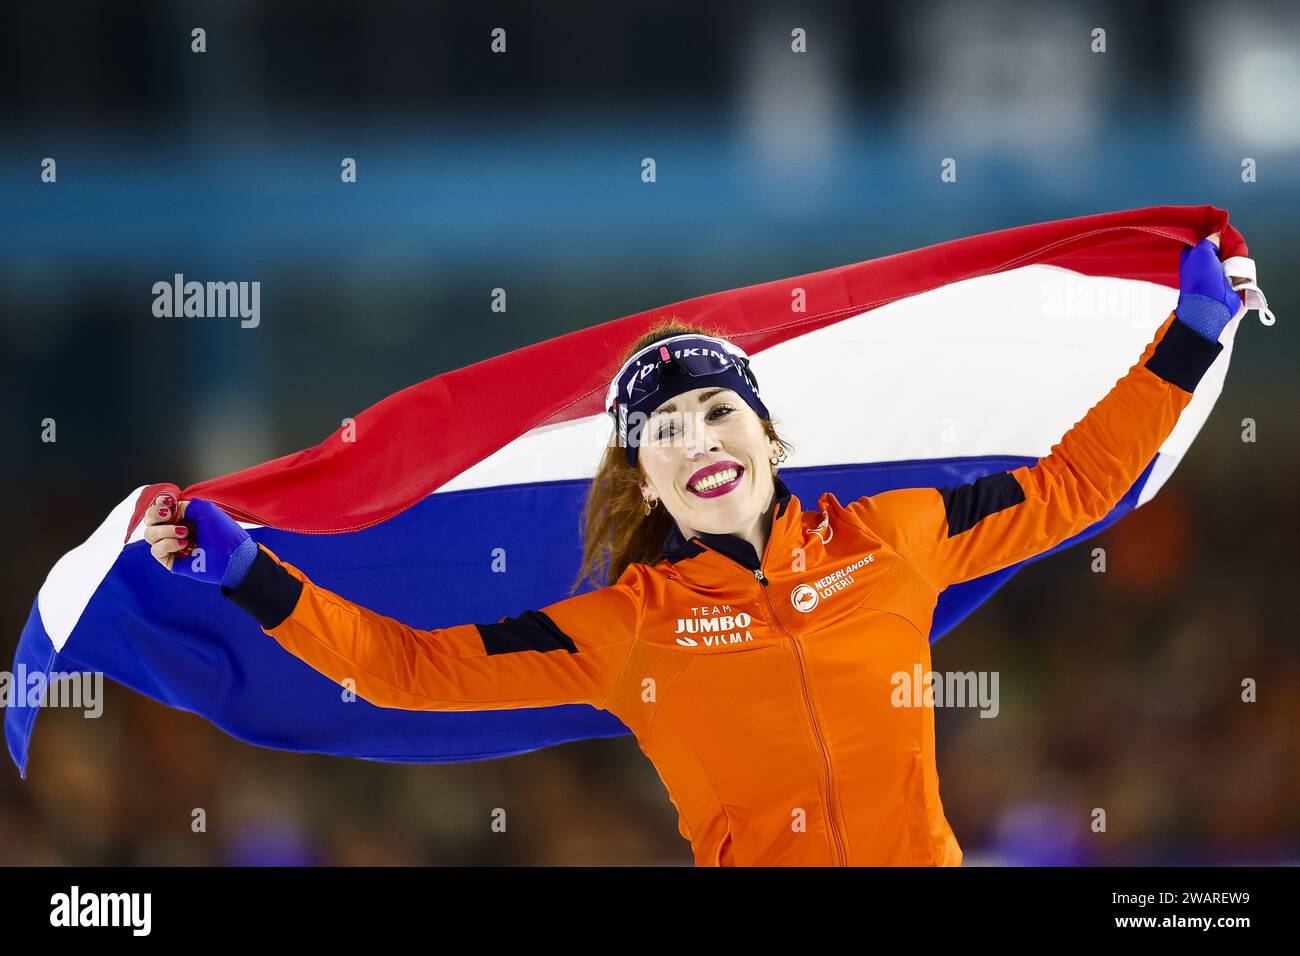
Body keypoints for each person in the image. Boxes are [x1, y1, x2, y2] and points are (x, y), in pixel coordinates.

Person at [145, 235, 1244, 866]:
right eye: (664, 433)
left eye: (717, 410)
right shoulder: (628, 626)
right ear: (647, 477)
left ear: (766, 434)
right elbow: (403, 667)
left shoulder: (896, 533)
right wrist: (253, 575)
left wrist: (1188, 338)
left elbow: (1073, 486)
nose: (697, 439)